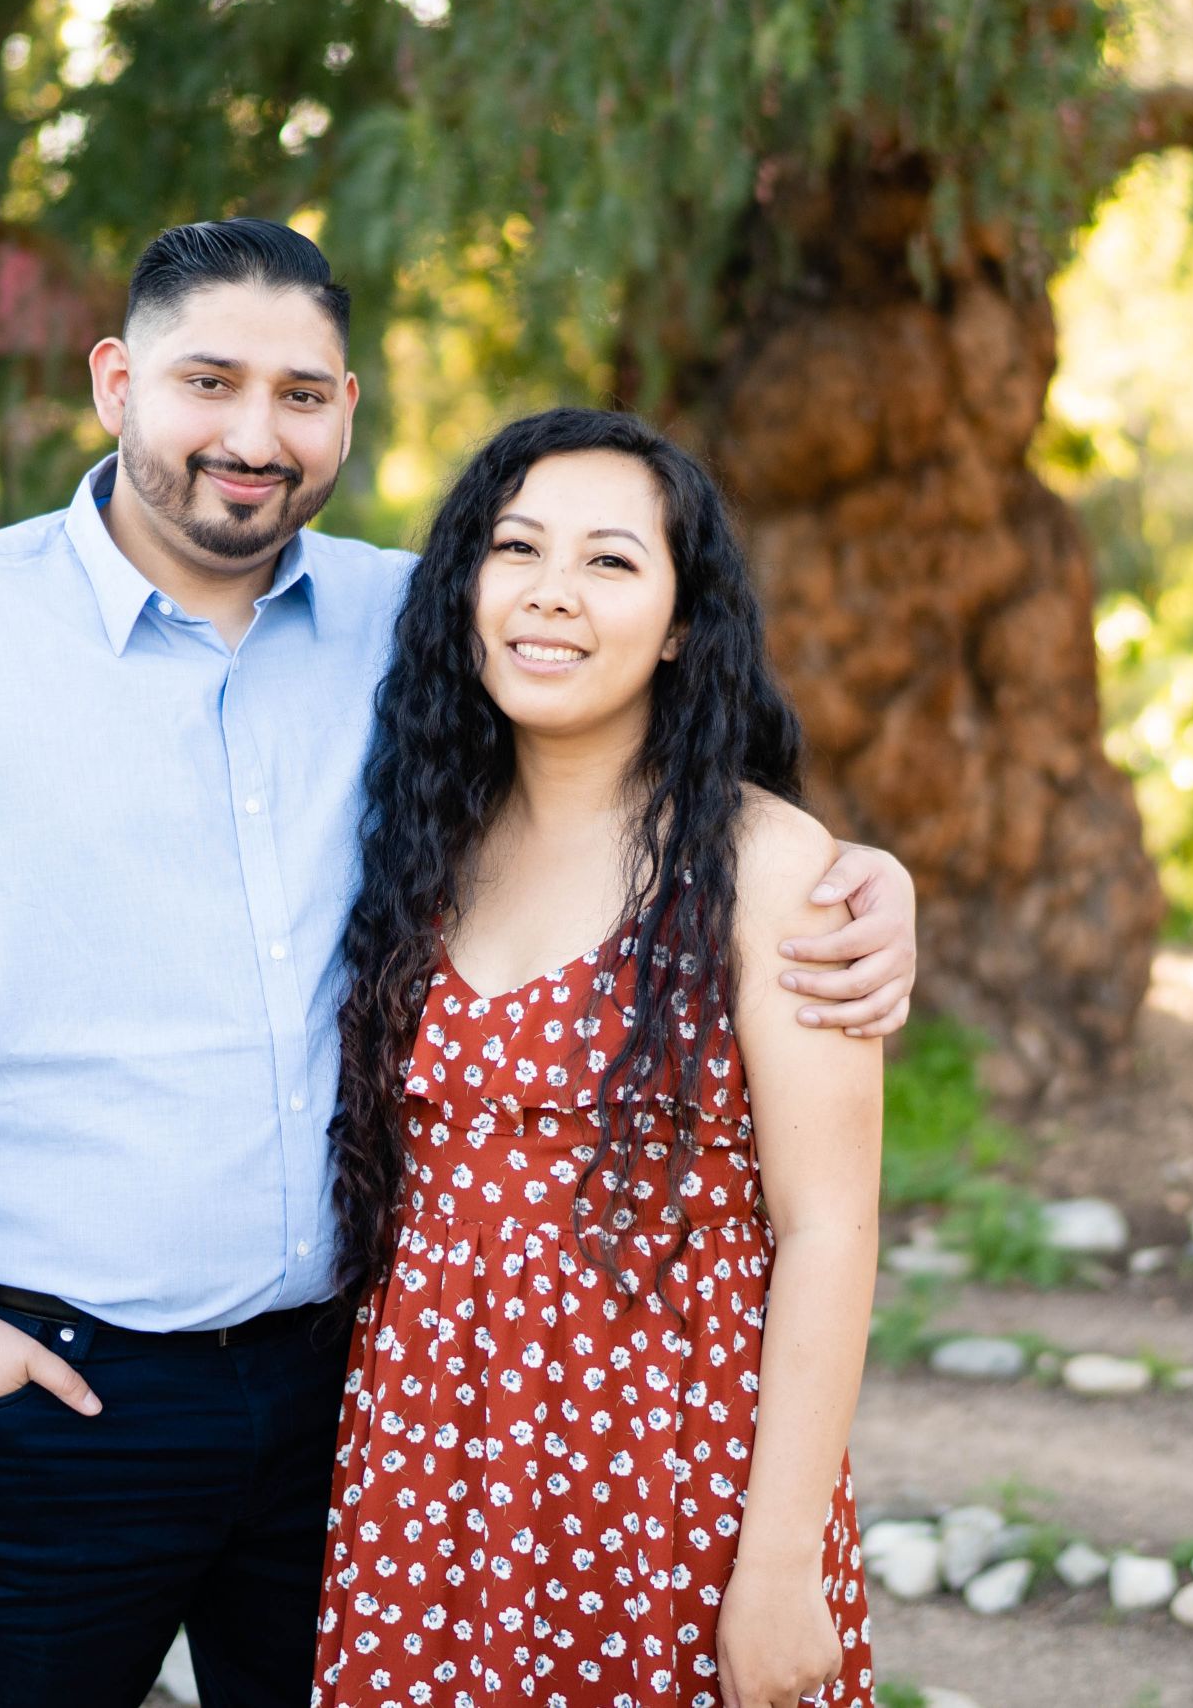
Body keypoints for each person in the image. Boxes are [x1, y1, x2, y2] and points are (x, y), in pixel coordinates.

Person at [0, 218, 917, 1708]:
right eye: (206, 381)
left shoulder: (411, 623)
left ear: (345, 410)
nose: (251, 434)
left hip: (348, 1399)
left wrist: (862, 878)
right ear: (115, 382)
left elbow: (631, 723)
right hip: (47, 1387)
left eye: (297, 394)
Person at [314, 409, 882, 1708]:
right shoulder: (420, 839)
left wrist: (780, 1558)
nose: (550, 594)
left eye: (611, 562)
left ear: (684, 622)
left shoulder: (765, 866)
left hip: (665, 1467)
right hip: (429, 1455)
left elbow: (830, 1225)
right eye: (516, 549)